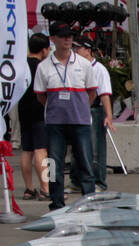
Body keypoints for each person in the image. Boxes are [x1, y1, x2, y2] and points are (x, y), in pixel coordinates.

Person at [33, 24, 95, 210]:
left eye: (70, 36)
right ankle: (57, 203)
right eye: (62, 36)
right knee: (54, 165)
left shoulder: (84, 64)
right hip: (55, 123)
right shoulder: (44, 67)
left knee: (85, 162)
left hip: (80, 121)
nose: (68, 39)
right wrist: (55, 108)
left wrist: (81, 108)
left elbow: (92, 93)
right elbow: (40, 95)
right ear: (52, 39)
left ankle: (90, 203)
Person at [74, 37, 113, 192]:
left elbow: (104, 94)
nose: (75, 52)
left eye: (78, 49)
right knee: (79, 147)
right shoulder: (75, 66)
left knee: (96, 148)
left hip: (95, 110)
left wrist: (109, 115)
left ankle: (99, 182)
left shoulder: (99, 69)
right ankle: (77, 181)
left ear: (88, 50)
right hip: (78, 109)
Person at [18, 32, 50, 201]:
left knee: (27, 150)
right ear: (44, 50)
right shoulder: (42, 67)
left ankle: (29, 189)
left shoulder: (21, 66)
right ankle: (45, 188)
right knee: (41, 150)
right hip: (39, 109)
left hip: (23, 110)